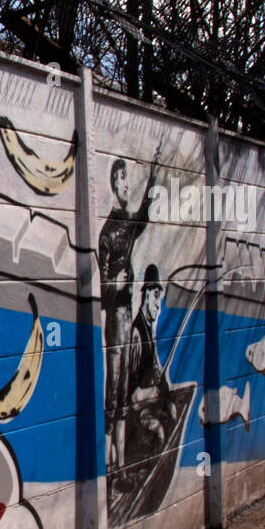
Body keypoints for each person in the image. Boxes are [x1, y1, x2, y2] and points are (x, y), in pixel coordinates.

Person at [98, 151, 161, 471]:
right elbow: (102, 293)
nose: (128, 186)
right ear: (115, 182)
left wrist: (153, 178)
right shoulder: (108, 233)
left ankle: (118, 467)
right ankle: (110, 465)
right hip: (115, 320)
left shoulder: (125, 225)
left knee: (121, 392)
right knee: (114, 391)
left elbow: (144, 216)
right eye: (125, 180)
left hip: (125, 313)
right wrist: (115, 283)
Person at [125, 264, 172, 457]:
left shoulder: (149, 330)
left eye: (159, 297)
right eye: (155, 296)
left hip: (147, 406)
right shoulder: (137, 333)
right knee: (160, 431)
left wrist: (157, 374)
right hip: (135, 415)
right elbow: (132, 396)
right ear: (145, 296)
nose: (158, 304)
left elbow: (153, 366)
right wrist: (151, 392)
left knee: (171, 411)